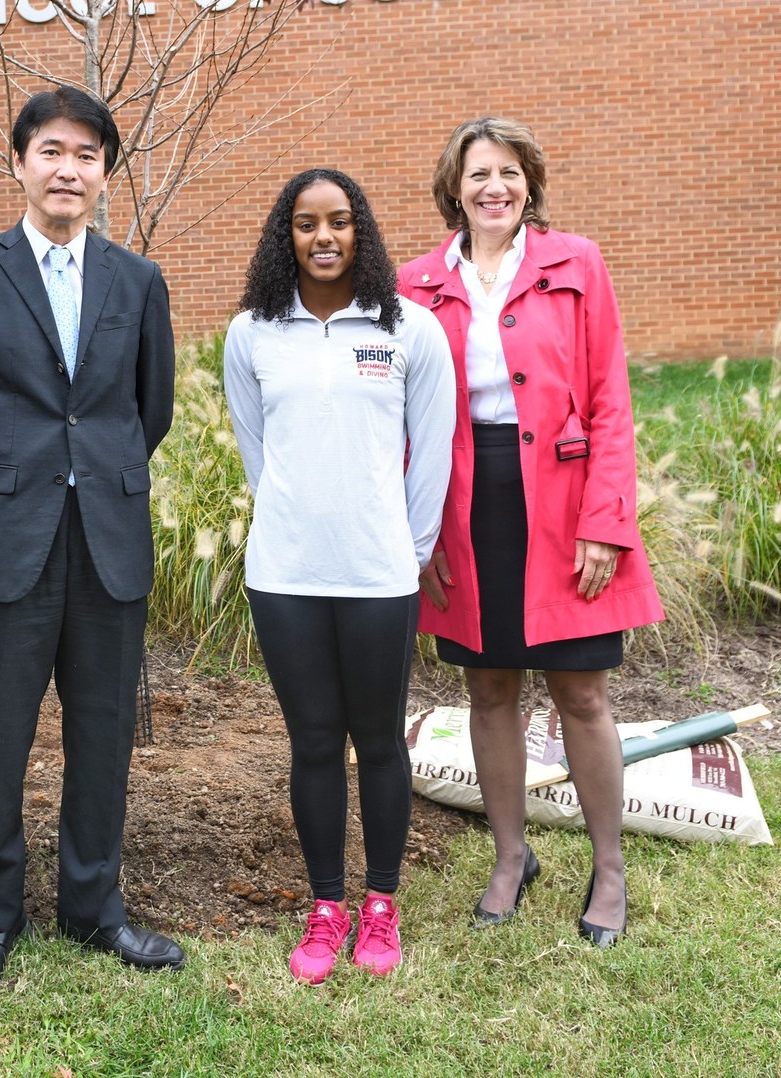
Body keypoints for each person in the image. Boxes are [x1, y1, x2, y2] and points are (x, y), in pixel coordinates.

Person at [0, 86, 183, 992]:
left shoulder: (137, 281)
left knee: (103, 735)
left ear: (106, 173)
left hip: (108, 539)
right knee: (0, 736)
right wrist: (5, 486)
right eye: (52, 152)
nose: (68, 170)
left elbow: (152, 411)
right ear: (20, 163)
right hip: (9, 539)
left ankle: (92, 909)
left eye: (87, 155)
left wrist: (90, 478)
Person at [397, 116, 664, 948]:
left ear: (528, 183)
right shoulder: (415, 285)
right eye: (479, 173)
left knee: (582, 691)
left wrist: (606, 522)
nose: (494, 188)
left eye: (509, 172)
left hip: (566, 502)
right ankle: (512, 856)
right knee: (490, 689)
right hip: (467, 507)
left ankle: (609, 867)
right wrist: (424, 533)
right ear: (455, 187)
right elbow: (405, 420)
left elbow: (610, 399)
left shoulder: (575, 264)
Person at [223, 170, 456, 984]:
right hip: (284, 574)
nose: (324, 237)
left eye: (340, 222)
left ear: (363, 232)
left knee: (379, 741)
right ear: (283, 236)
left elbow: (432, 456)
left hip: (378, 575)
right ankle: (327, 909)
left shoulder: (408, 331)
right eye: (305, 223)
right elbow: (260, 454)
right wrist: (298, 519)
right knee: (314, 742)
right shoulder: (252, 333)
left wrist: (408, 549)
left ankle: (381, 905)